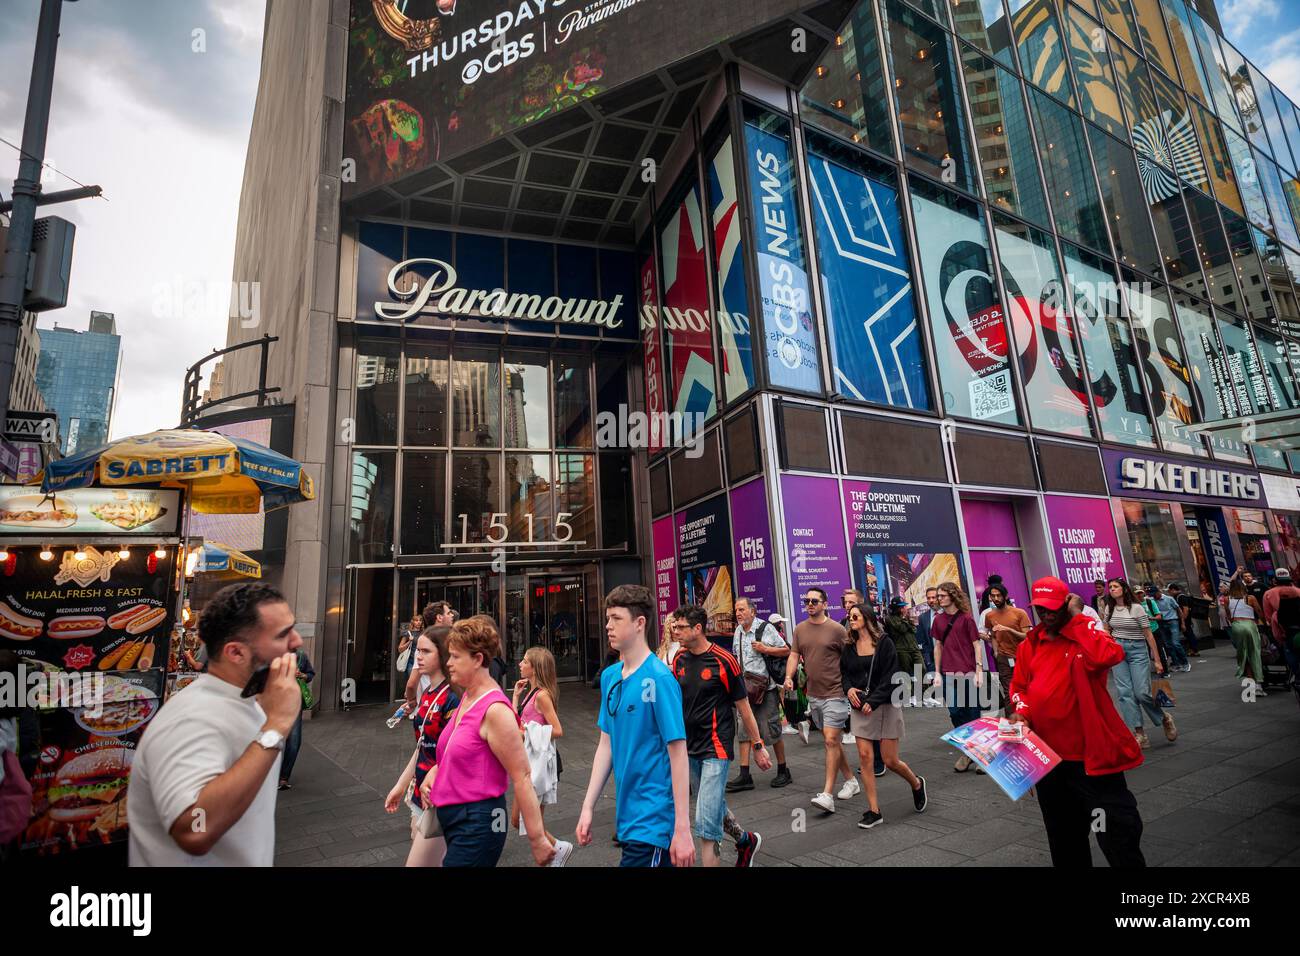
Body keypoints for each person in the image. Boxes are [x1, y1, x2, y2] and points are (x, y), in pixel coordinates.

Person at [129, 583, 302, 866]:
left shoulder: (250, 702)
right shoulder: (192, 717)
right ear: (236, 653)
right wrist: (275, 728)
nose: (297, 641)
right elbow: (194, 829)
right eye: (283, 634)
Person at [1009, 577, 1146, 867]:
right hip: (1049, 762)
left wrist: (1078, 617)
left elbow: (1110, 654)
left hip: (1092, 760)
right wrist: (1021, 713)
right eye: (1040, 609)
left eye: (1052, 608)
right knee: (1065, 840)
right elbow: (1020, 688)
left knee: (1118, 834)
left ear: (1065, 605)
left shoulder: (1084, 636)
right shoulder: (1030, 645)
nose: (1046, 615)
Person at [577, 585, 694, 867]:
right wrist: (587, 806)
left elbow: (678, 753)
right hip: (626, 816)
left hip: (654, 820)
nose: (608, 626)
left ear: (639, 623)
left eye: (616, 618)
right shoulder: (609, 677)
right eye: (608, 618)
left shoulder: (659, 679)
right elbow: (606, 744)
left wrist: (682, 828)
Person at [429, 616, 554, 867]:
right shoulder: (467, 697)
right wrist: (437, 771)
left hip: (478, 824)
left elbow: (522, 776)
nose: (449, 663)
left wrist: (537, 838)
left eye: (455, 656)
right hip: (455, 819)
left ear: (477, 660)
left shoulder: (495, 709)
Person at [669, 605, 770, 866]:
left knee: (705, 821)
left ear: (698, 629)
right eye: (675, 626)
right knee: (712, 803)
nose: (675, 631)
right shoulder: (679, 659)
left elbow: (744, 707)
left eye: (680, 627)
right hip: (689, 747)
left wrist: (758, 745)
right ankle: (745, 841)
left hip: (717, 746)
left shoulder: (724, 660)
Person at [841, 603, 927, 829]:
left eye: (856, 616)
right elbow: (845, 673)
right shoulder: (849, 645)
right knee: (865, 757)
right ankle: (874, 810)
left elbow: (891, 677)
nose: (851, 619)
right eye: (850, 617)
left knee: (890, 760)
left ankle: (916, 783)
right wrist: (849, 689)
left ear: (867, 618)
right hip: (860, 705)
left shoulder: (885, 643)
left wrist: (874, 700)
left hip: (886, 703)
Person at [384, 626, 460, 867]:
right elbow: (422, 746)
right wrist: (401, 784)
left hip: (440, 796)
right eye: (418, 650)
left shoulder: (453, 698)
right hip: (420, 793)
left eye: (426, 651)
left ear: (444, 654)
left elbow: (454, 754)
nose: (418, 656)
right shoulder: (427, 692)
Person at [784, 586, 858, 813]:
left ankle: (827, 795)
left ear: (825, 604)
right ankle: (852, 781)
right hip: (814, 694)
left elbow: (851, 656)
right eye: (807, 601)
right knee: (832, 740)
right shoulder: (800, 629)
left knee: (829, 741)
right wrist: (788, 676)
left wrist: (853, 685)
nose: (810, 604)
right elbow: (795, 654)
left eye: (815, 601)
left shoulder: (837, 630)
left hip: (836, 692)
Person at [510, 646, 572, 866]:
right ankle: (557, 848)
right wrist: (516, 697)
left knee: (529, 822)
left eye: (525, 661)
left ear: (534, 668)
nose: (520, 664)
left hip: (541, 764)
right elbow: (516, 723)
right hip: (528, 762)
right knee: (518, 820)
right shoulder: (531, 693)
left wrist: (528, 730)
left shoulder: (543, 696)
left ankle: (554, 853)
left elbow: (558, 730)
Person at [1101, 578, 1174, 749]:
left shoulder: (1137, 608)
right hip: (1118, 651)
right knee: (1125, 693)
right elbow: (1105, 629)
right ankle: (1139, 733)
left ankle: (1165, 718)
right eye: (1110, 587)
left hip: (1137, 650)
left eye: (1115, 586)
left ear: (1124, 589)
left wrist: (1157, 660)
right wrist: (1108, 644)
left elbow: (1149, 635)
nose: (1112, 589)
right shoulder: (1109, 608)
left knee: (1142, 693)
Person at [727, 598, 792, 791]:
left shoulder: (765, 628)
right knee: (743, 731)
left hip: (766, 689)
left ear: (752, 612)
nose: (738, 613)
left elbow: (786, 650)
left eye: (742, 609)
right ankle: (745, 775)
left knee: (772, 729)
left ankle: (783, 770)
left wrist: (765, 649)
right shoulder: (738, 631)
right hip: (745, 689)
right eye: (736, 610)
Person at [931, 581, 990, 772]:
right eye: (937, 596)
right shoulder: (938, 620)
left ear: (952, 595)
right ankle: (969, 750)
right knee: (955, 712)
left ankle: (977, 755)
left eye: (941, 595)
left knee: (973, 713)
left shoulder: (967, 619)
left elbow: (976, 645)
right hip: (948, 673)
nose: (938, 599)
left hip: (969, 671)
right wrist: (937, 673)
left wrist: (979, 670)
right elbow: (938, 646)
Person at [979, 584, 1030, 716]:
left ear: (1005, 596)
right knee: (1008, 690)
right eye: (993, 596)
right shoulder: (989, 615)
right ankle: (1011, 722)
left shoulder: (1019, 613)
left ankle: (1028, 716)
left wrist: (1008, 629)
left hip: (1021, 657)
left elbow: (1027, 636)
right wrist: (996, 652)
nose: (996, 598)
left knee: (1026, 687)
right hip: (1003, 657)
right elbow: (993, 634)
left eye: (998, 595)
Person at [404, 602, 454, 710]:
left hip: (443, 703)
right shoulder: (427, 641)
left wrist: (411, 700)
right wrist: (412, 700)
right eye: (449, 613)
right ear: (439, 617)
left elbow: (412, 684)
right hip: (431, 705)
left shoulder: (451, 639)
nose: (452, 615)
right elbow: (412, 683)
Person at [278, 646, 315, 790]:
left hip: (294, 704)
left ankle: (283, 777)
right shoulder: (271, 654)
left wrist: (303, 675)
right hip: (274, 704)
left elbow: (310, 673)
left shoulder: (300, 655)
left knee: (294, 741)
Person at [1226, 570, 1267, 695]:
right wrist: (1264, 623)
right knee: (1254, 652)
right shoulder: (1250, 598)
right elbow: (1260, 612)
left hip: (1236, 626)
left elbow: (1229, 617)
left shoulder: (1227, 599)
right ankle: (1259, 685)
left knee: (1243, 654)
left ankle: (1250, 683)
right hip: (1249, 624)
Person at [1262, 567, 1300, 681]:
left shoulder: (1269, 595)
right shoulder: (1298, 591)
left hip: (1286, 634)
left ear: (1275, 580)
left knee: (1291, 657)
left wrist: (1280, 639)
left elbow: (1268, 617)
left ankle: (1297, 677)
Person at [1150, 584, 1189, 673]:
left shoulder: (1169, 599)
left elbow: (1179, 610)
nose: (1153, 596)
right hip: (1162, 623)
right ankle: (1176, 663)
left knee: (1175, 643)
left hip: (1172, 621)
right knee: (1168, 644)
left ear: (1158, 592)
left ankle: (1185, 662)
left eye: (1154, 594)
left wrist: (1182, 623)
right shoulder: (1152, 601)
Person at [1168, 583, 1197, 658]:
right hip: (1184, 619)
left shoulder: (1181, 597)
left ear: (1173, 590)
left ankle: (1194, 650)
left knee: (1189, 634)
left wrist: (1183, 620)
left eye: (1169, 591)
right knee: (1188, 634)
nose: (1169, 593)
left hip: (1185, 619)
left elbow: (1186, 609)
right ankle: (1192, 649)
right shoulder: (1178, 597)